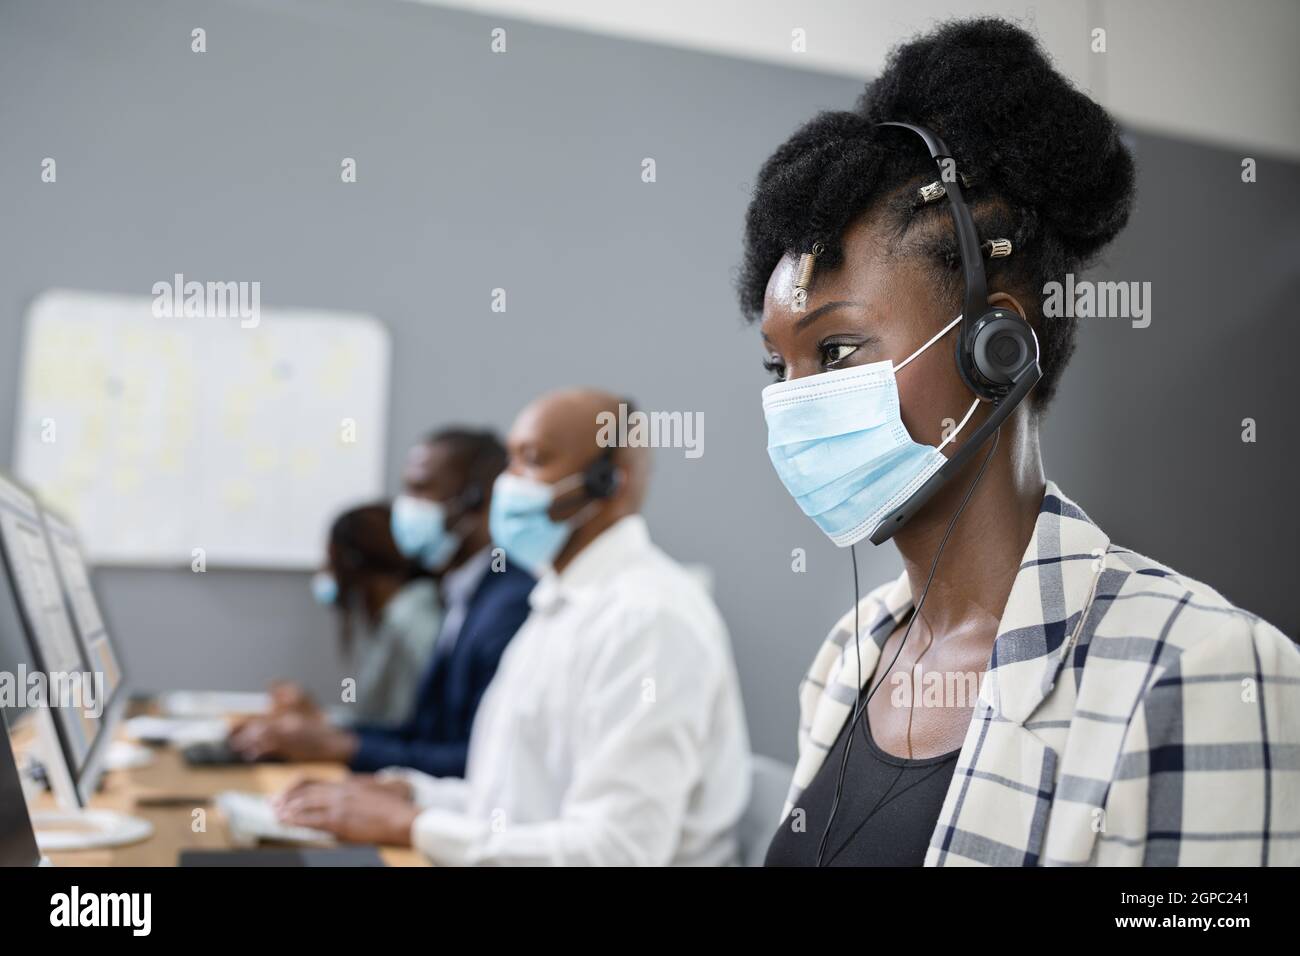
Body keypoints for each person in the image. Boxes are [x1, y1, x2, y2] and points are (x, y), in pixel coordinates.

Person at [743, 18, 1299, 866]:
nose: (794, 403)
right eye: (778, 367)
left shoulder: (1199, 668)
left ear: (995, 347)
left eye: (837, 351)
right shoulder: (848, 656)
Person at [274, 389, 752, 866]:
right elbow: (519, 807)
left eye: (534, 460)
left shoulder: (647, 619)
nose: (507, 484)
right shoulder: (557, 604)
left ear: (610, 483)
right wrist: (411, 792)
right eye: (510, 461)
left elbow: (616, 852)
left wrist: (413, 824)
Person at [231, 429, 533, 779]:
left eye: (420, 489)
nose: (405, 507)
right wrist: (328, 736)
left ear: (476, 498)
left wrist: (342, 746)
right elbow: (425, 732)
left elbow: (480, 760)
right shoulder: (464, 594)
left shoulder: (508, 605)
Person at [284, 502, 440, 725]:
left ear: (353, 563)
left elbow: (407, 729)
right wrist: (318, 718)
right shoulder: (391, 618)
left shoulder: (413, 619)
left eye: (331, 561)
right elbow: (373, 720)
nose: (324, 571)